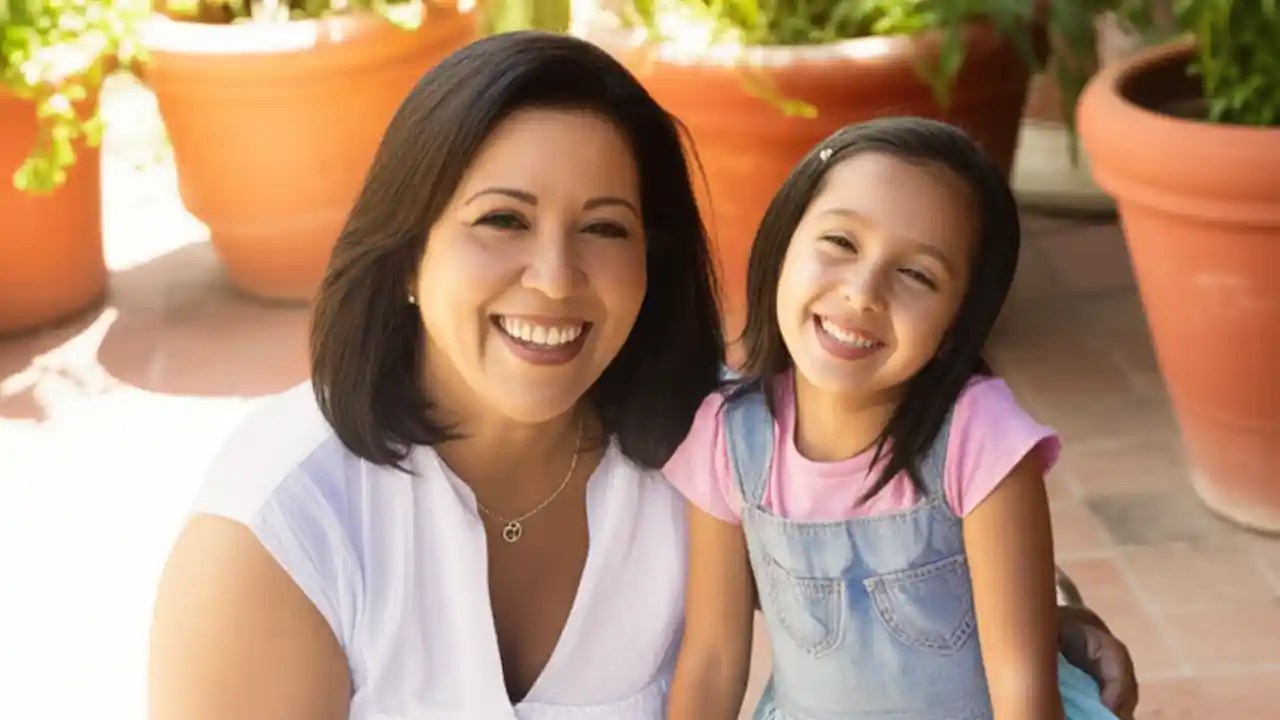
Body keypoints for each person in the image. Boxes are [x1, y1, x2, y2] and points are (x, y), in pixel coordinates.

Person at [146, 32, 1137, 720]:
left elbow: (877, 522)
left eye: (604, 229)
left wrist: (1044, 608)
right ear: (408, 252)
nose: (554, 277)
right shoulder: (283, 528)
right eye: (501, 219)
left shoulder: (697, 433)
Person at [663, 117, 1130, 720]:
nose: (863, 292)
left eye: (917, 275)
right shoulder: (727, 438)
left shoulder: (979, 438)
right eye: (840, 243)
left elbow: (1021, 684)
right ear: (784, 244)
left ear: (957, 325)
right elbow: (713, 660)